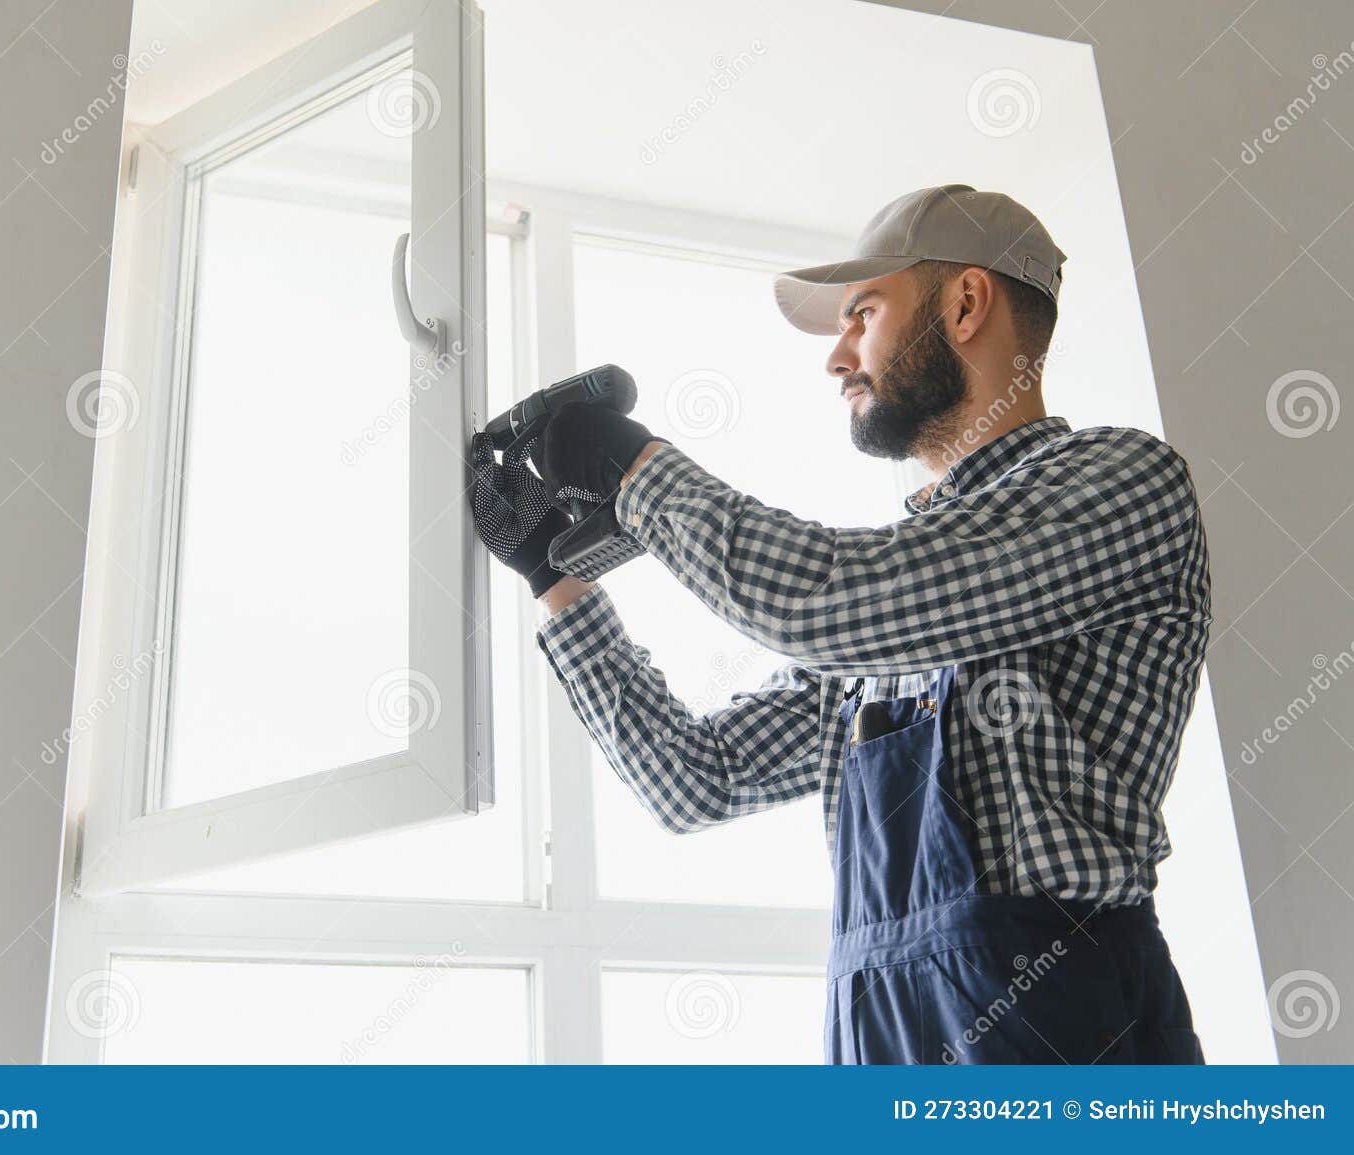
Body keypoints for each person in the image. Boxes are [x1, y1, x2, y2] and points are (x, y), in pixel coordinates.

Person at [468, 184, 1212, 1064]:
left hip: (1060, 1021)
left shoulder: (1120, 485)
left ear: (966, 303)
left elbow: (822, 602)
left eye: (862, 314)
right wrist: (557, 579)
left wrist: (632, 467)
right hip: (876, 1028)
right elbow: (694, 779)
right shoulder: (891, 619)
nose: (838, 359)